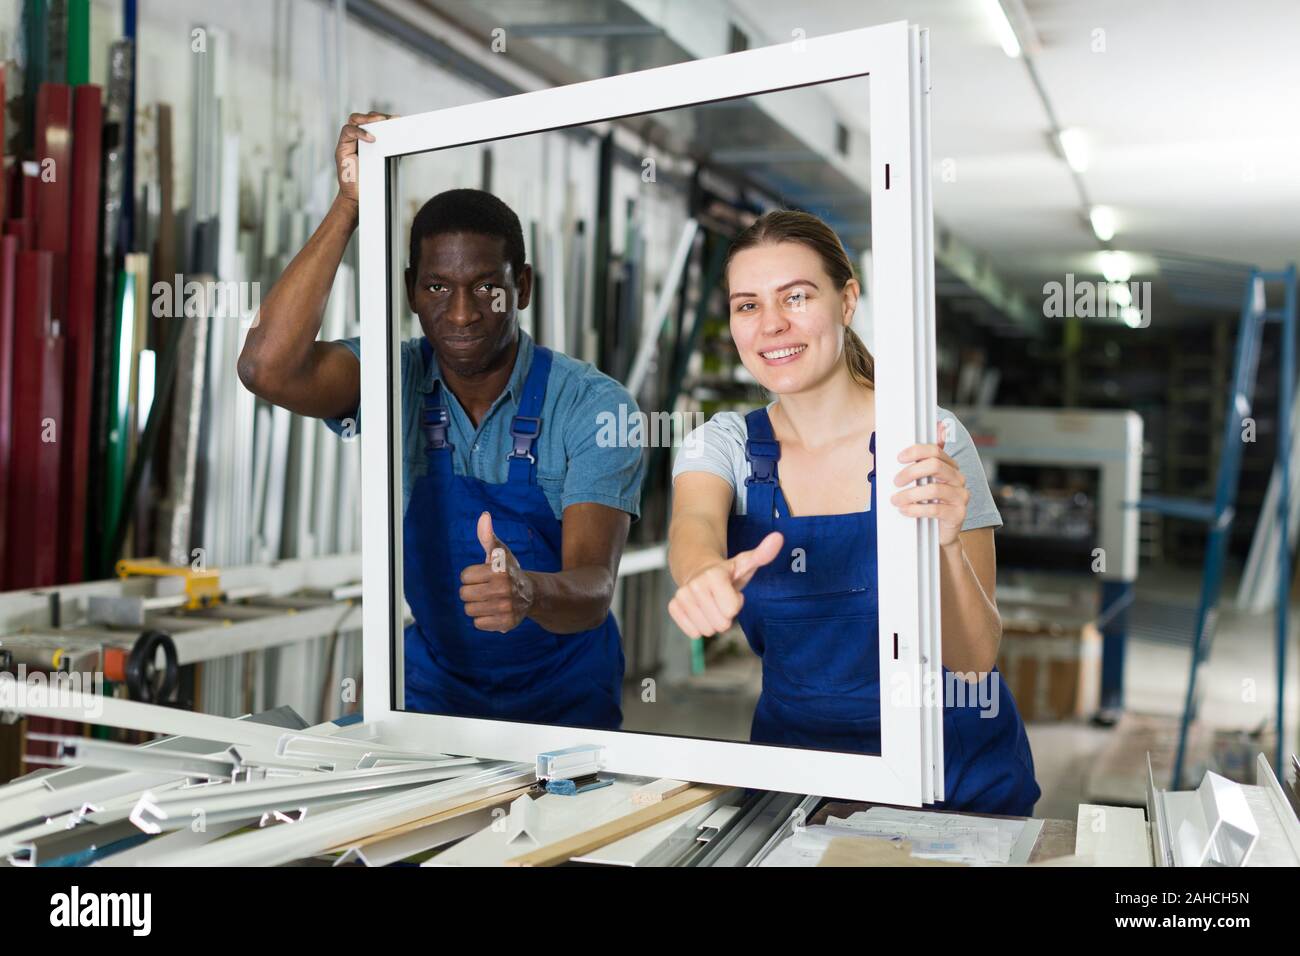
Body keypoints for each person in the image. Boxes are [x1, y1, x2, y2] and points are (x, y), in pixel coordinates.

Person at [238, 113, 644, 729]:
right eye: (436, 287)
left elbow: (593, 588)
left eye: (486, 288)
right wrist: (351, 205)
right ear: (409, 291)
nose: (460, 314)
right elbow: (267, 366)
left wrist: (530, 592)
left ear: (523, 287)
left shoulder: (594, 406)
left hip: (565, 705)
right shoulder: (392, 378)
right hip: (431, 696)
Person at [667, 209, 1040, 815]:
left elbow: (973, 659)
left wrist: (945, 544)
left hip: (953, 778)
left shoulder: (931, 439)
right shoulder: (723, 446)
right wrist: (701, 572)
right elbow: (693, 528)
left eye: (796, 296)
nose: (772, 325)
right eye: (747, 305)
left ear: (846, 301)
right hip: (801, 776)